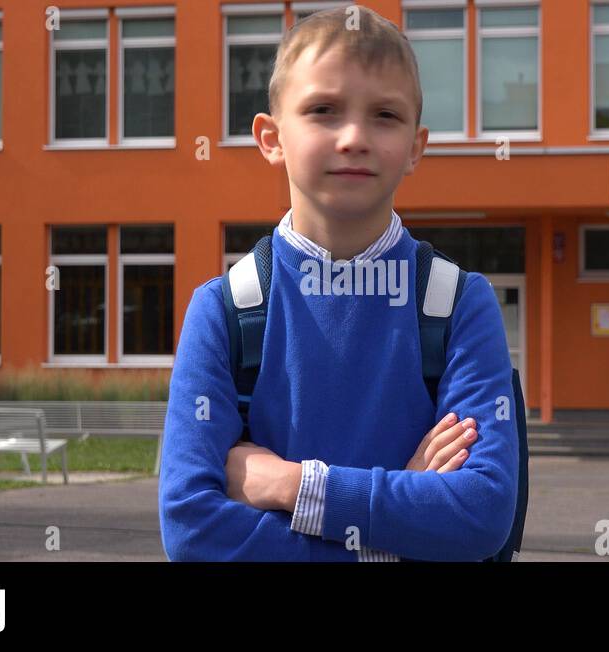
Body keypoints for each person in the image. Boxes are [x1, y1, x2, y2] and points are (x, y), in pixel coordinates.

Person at [158, 5, 518, 561]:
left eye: (385, 116)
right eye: (323, 109)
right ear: (271, 137)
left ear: (417, 147)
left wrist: (292, 486)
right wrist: (398, 529)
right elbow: (190, 531)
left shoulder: (458, 305)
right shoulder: (223, 309)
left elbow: (480, 513)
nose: (354, 137)